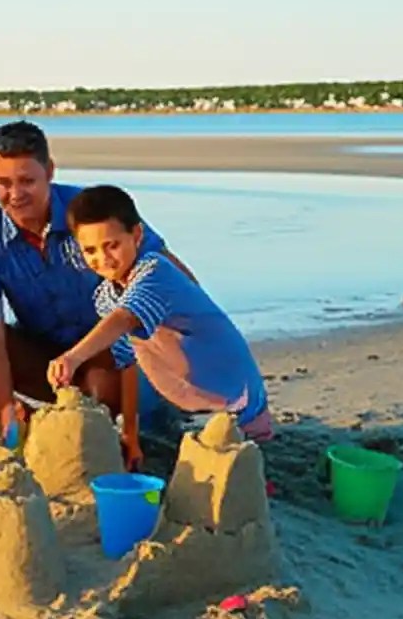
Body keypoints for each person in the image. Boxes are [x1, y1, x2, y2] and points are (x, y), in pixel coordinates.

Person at [0, 119, 197, 442]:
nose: (15, 194)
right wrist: (6, 411)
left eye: (27, 181)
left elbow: (172, 276)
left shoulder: (97, 213)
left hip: (114, 353)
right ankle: (30, 421)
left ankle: (133, 416)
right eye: (3, 183)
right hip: (48, 361)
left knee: (102, 384)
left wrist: (198, 350)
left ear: (49, 171)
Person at [47, 185, 274, 444]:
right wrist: (130, 431)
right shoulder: (106, 297)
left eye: (112, 245)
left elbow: (125, 317)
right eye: (90, 251)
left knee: (224, 465)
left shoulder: (156, 272)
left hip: (238, 407)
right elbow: (129, 365)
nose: (103, 259)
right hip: (185, 407)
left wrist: (72, 357)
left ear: (137, 235)